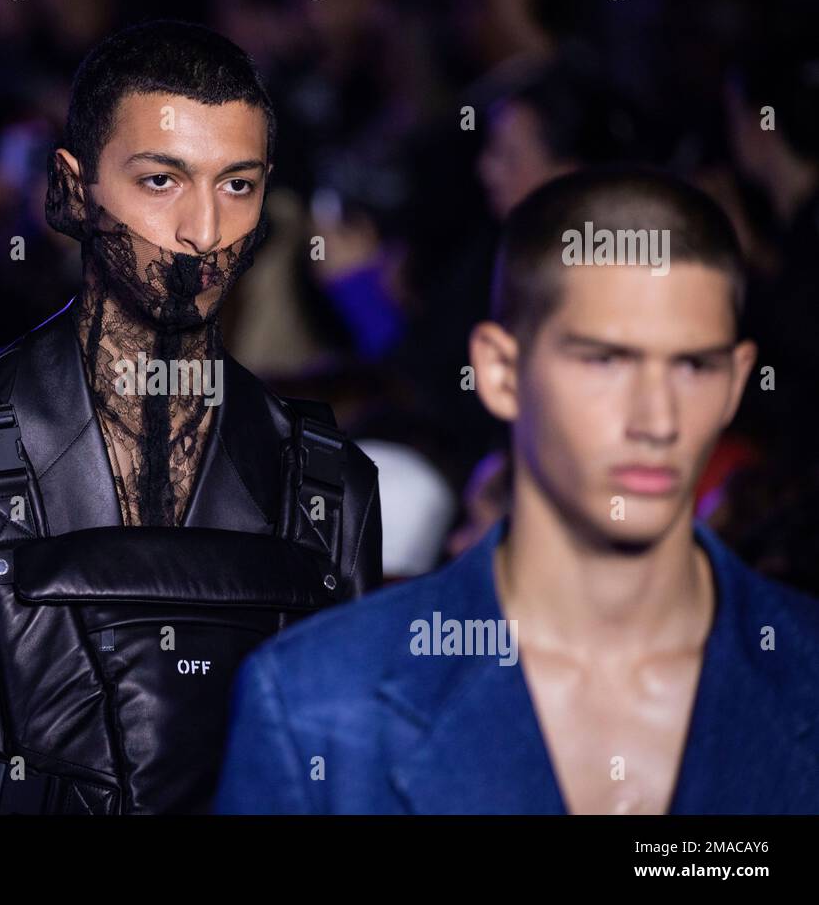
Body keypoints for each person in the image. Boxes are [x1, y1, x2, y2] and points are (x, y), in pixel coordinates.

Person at [0, 20, 383, 814]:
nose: (204, 232)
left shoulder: (329, 484)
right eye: (161, 181)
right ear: (71, 189)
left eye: (237, 185)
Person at [214, 167, 819, 814]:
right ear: (501, 372)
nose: (657, 419)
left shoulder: (802, 667)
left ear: (736, 383)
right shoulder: (318, 704)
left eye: (694, 365)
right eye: (604, 360)